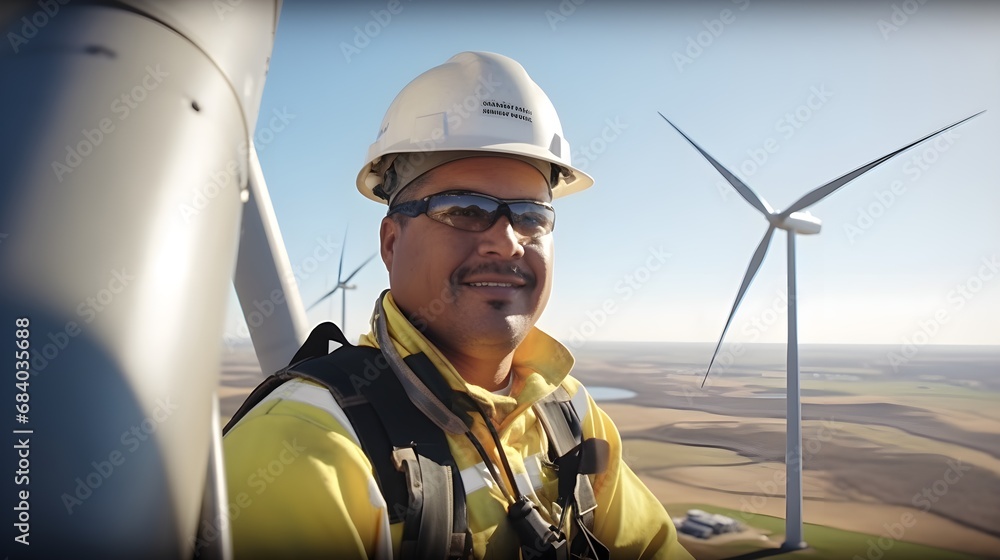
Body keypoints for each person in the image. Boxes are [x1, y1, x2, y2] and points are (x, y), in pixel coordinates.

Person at [223, 51, 693, 560]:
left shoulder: (572, 414)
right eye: (466, 210)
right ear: (390, 243)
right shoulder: (304, 448)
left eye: (532, 216)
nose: (507, 241)